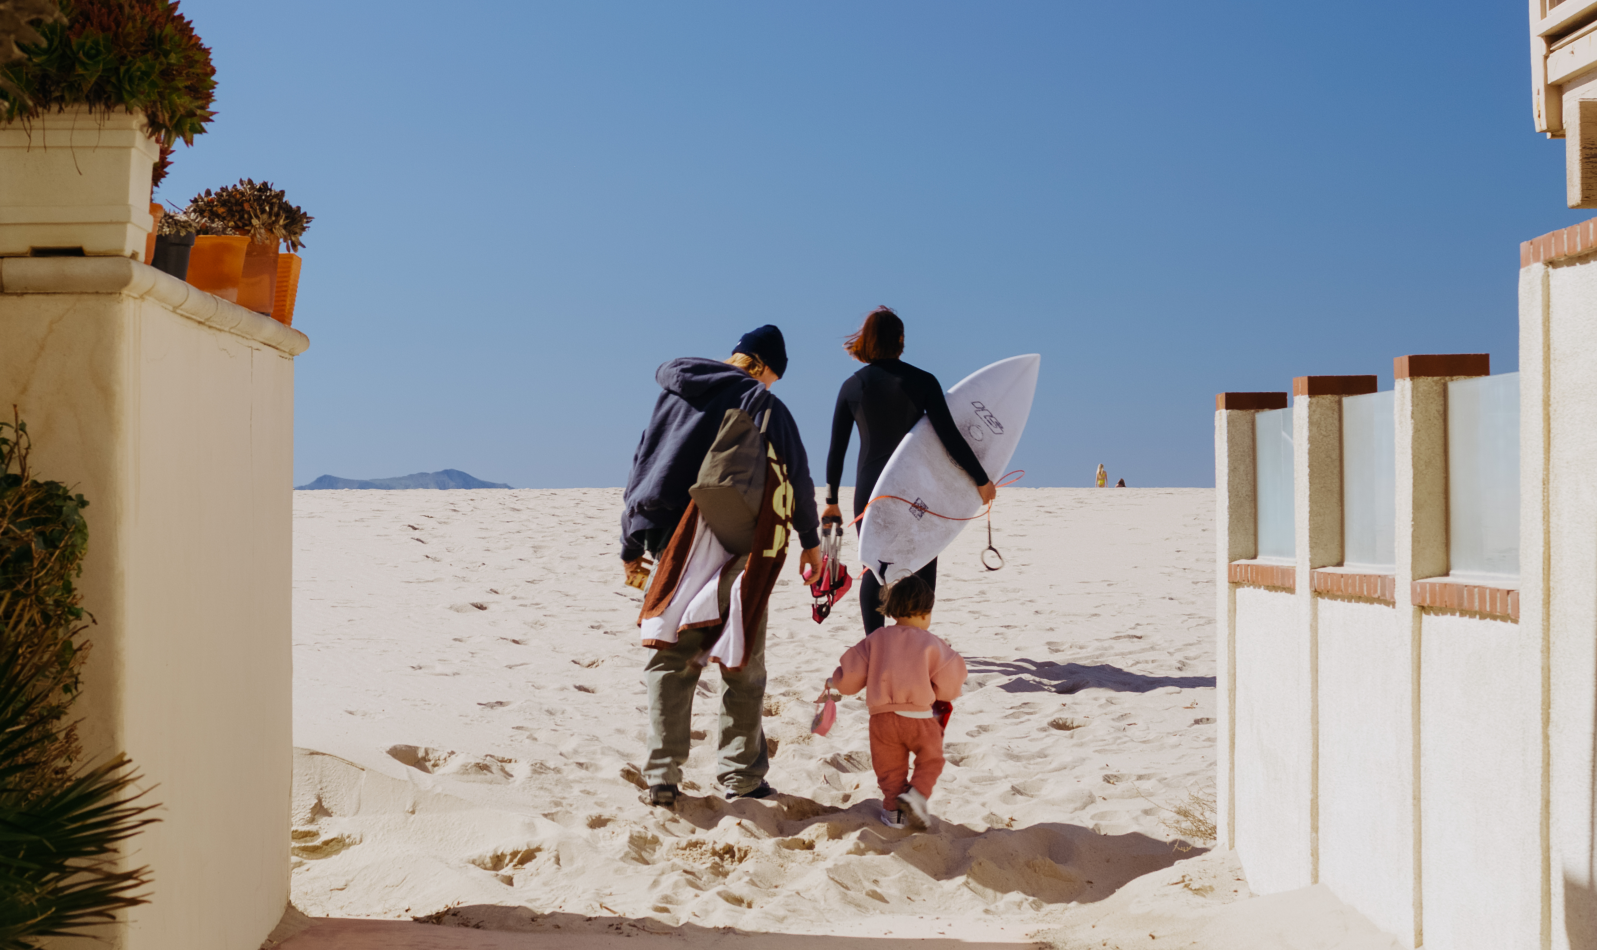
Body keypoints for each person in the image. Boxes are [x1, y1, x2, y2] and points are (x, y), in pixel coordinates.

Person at [620, 325, 822, 808]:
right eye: (771, 377)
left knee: (670, 654)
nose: (769, 386)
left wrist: (630, 542)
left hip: (666, 536)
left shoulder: (672, 392)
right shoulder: (758, 399)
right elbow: (796, 471)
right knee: (742, 655)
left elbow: (644, 461)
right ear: (760, 366)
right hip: (732, 539)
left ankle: (662, 778)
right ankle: (741, 776)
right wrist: (812, 543)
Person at [823, 307, 996, 633]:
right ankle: (914, 639)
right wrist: (981, 479)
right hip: (917, 489)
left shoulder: (852, 386)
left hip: (872, 490)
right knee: (922, 561)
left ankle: (875, 643)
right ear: (900, 340)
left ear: (867, 340)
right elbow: (950, 438)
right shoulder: (924, 381)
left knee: (874, 567)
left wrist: (831, 499)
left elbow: (837, 450)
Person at [828, 574, 967, 830]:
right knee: (931, 758)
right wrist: (942, 694)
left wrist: (835, 681)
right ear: (926, 612)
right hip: (918, 719)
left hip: (882, 720)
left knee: (890, 770)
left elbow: (851, 676)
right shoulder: (932, 643)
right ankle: (917, 794)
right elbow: (950, 681)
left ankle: (894, 814)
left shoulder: (876, 639)